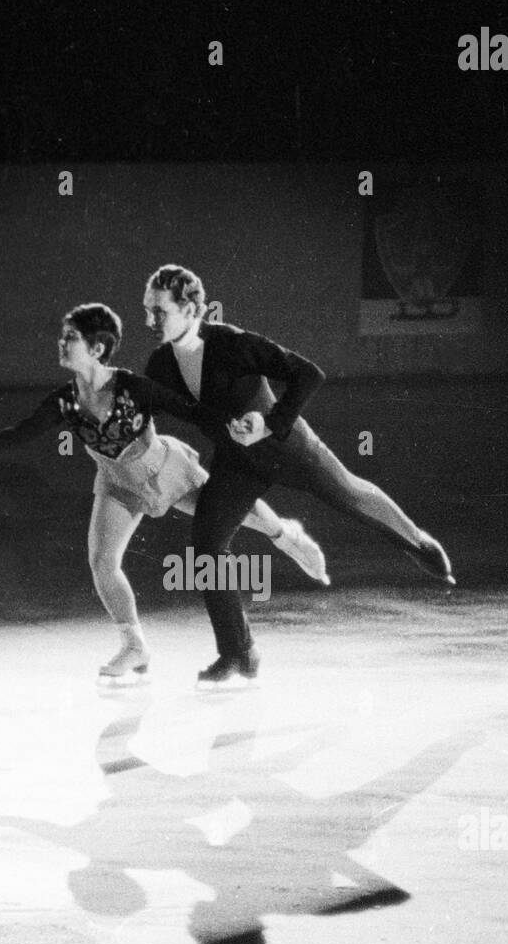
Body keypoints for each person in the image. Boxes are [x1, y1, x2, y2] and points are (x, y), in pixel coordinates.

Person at [0, 303, 329, 683]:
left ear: (97, 348)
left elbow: (190, 410)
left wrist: (248, 427)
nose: (60, 342)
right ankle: (134, 644)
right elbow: (24, 432)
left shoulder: (133, 387)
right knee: (102, 561)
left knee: (233, 512)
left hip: (165, 472)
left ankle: (287, 536)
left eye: (69, 337)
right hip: (117, 485)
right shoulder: (65, 400)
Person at [142, 265, 455, 687]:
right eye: (148, 311)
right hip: (237, 463)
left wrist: (269, 423)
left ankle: (417, 541)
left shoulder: (233, 343)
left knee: (351, 495)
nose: (150, 321)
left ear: (190, 307)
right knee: (207, 544)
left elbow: (308, 373)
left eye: (159, 311)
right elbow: (152, 407)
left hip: (287, 447)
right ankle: (239, 652)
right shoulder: (161, 365)